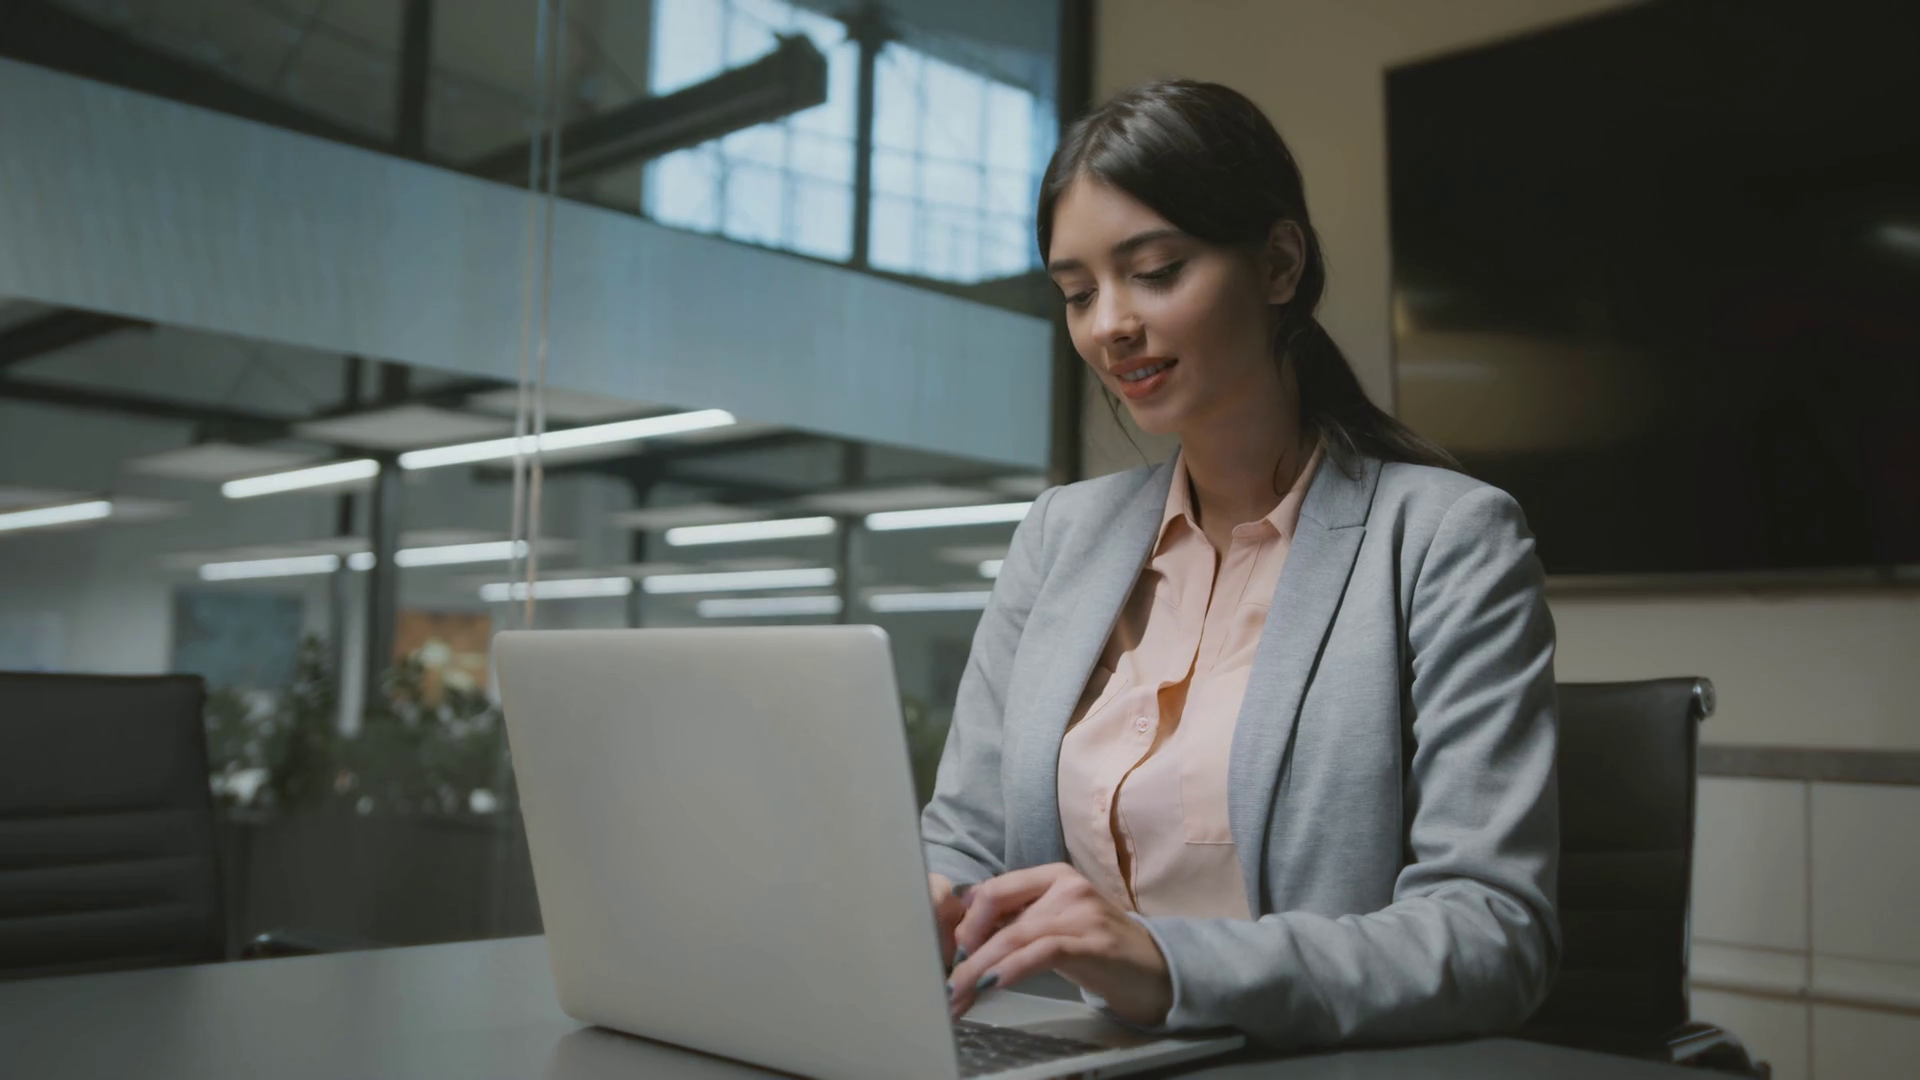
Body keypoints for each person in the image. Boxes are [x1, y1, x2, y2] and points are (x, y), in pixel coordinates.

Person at [921, 79, 1560, 1050]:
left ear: (1278, 264)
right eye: (1078, 293)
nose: (1108, 326)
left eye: (1156, 271)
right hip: (1058, 1057)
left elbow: (1490, 935)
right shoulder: (1061, 537)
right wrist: (926, 903)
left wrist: (1165, 965)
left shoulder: (1445, 540)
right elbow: (964, 844)